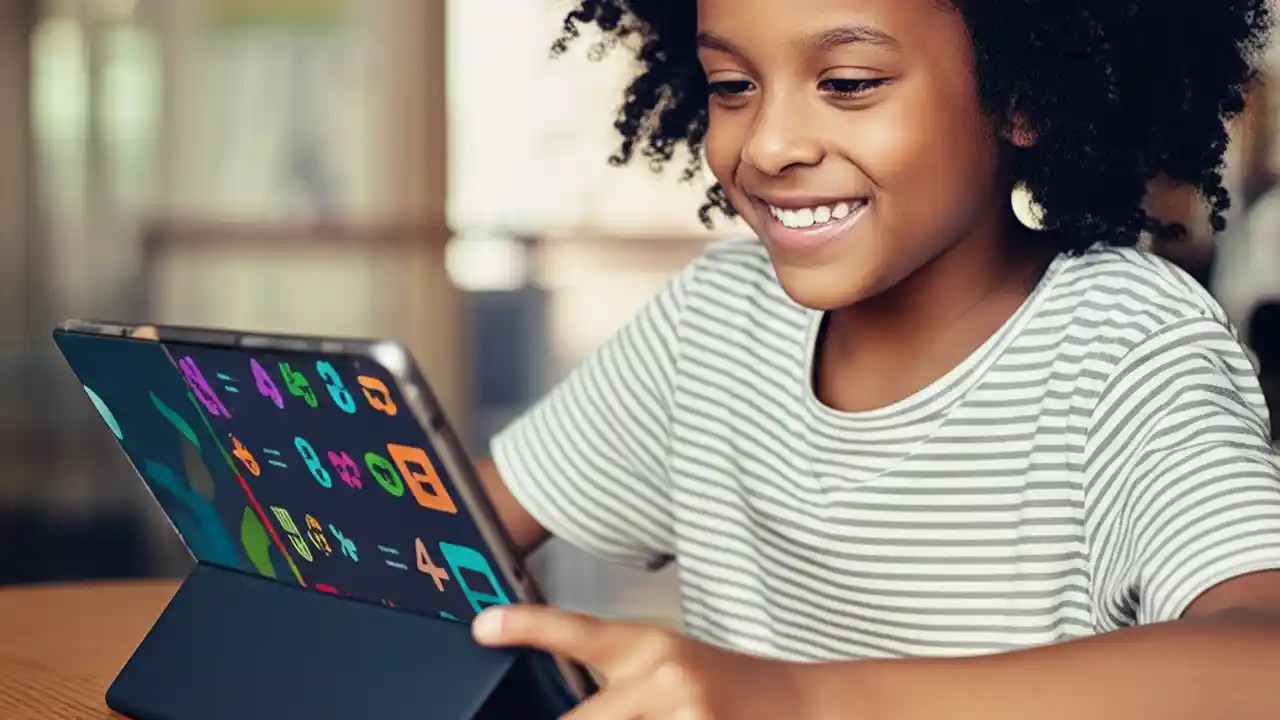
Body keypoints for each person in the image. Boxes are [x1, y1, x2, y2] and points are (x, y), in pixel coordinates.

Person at [467, 1, 1280, 717]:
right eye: (732, 86)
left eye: (849, 83)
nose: (770, 146)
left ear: (1021, 95)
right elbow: (444, 540)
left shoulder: (1122, 342)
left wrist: (796, 700)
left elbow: (1263, 661)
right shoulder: (715, 318)